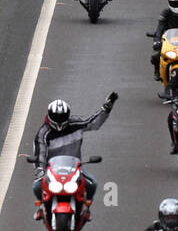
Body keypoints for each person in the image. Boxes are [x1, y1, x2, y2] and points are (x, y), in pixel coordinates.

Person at [31, 93, 117, 221]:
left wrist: (106, 108)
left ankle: (85, 208)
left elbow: (93, 123)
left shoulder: (76, 123)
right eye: (56, 117)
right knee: (37, 186)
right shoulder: (43, 134)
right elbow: (40, 154)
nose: (59, 121)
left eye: (62, 117)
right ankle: (41, 208)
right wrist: (40, 170)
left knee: (92, 184)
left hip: (74, 168)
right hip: (52, 171)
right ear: (50, 116)